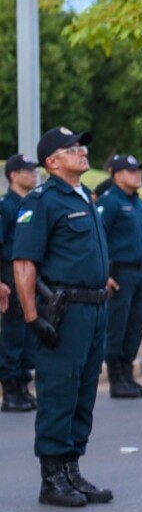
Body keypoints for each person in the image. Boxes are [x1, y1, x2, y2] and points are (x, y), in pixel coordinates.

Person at [9, 127, 114, 506]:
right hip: (65, 311)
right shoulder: (42, 201)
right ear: (52, 161)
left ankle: (72, 469)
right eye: (73, 148)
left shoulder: (84, 195)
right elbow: (24, 263)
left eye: (83, 145)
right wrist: (34, 318)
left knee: (84, 390)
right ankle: (52, 478)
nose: (82, 151)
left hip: (95, 307)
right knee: (59, 390)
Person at [97, 155, 142, 400]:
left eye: (138, 170)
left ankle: (128, 373)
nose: (137, 175)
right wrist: (104, 274)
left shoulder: (140, 204)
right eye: (131, 171)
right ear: (117, 175)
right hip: (120, 272)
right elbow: (97, 238)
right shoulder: (110, 201)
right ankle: (116, 377)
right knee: (118, 325)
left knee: (135, 325)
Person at [2, 153, 41, 412]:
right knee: (14, 333)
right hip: (9, 273)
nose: (33, 174)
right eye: (28, 171)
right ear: (14, 175)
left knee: (28, 332)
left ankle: (24, 385)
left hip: (30, 274)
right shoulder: (5, 206)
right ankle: (11, 390)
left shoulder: (32, 204)